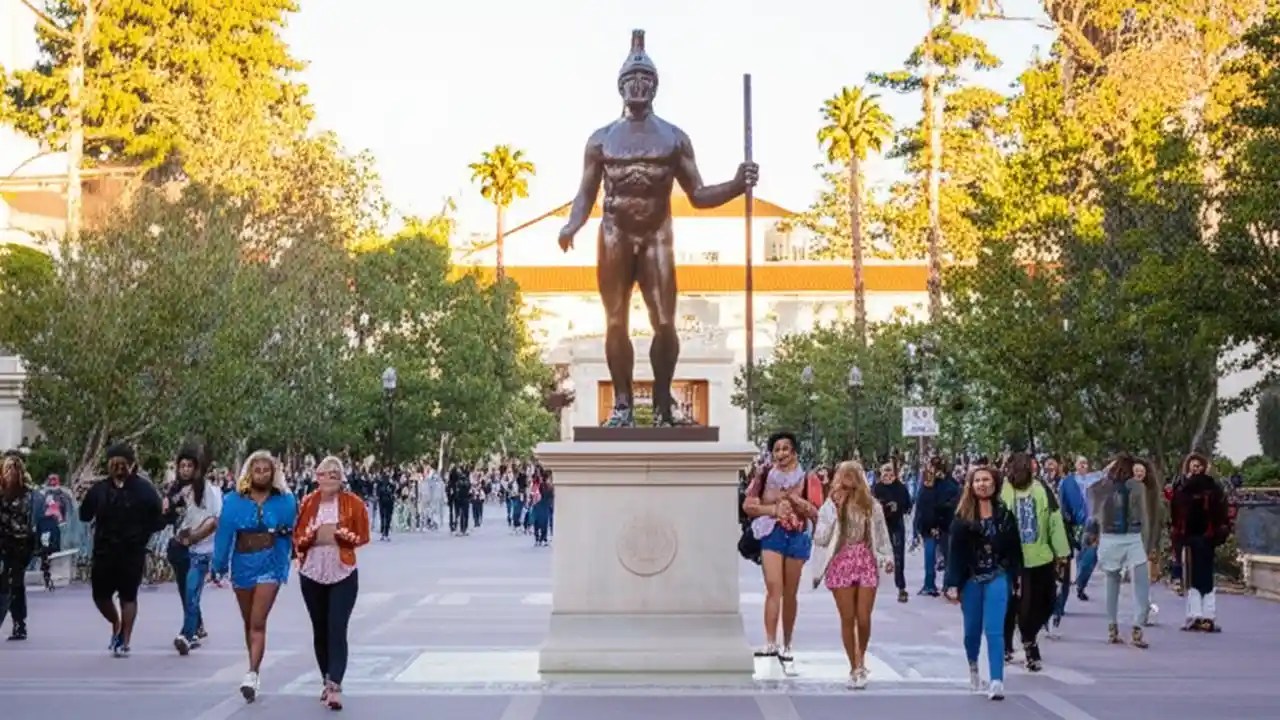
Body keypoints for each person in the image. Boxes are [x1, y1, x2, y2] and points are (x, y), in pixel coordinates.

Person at [212, 451, 298, 702]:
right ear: (249, 473)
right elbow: (225, 534)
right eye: (257, 470)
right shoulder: (233, 501)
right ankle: (254, 666)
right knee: (249, 621)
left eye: (266, 470)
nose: (261, 474)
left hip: (270, 562)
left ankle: (252, 673)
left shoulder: (285, 501)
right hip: (242, 563)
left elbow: (290, 532)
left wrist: (285, 554)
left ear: (274, 473)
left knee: (258, 621)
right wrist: (218, 565)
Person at [294, 456, 370, 711]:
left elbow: (363, 535)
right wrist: (311, 538)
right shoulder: (307, 503)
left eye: (335, 473)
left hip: (343, 571)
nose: (331, 477)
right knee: (320, 628)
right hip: (312, 571)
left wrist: (343, 537)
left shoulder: (353, 503)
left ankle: (335, 684)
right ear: (317, 477)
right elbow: (298, 536)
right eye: (326, 473)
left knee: (337, 626)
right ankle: (326, 679)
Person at [811, 461, 893, 689]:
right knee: (848, 617)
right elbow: (820, 537)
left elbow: (882, 534)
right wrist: (837, 511)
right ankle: (854, 665)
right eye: (843, 478)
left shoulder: (871, 505)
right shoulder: (831, 504)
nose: (847, 483)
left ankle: (862, 657)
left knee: (864, 616)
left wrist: (887, 558)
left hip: (865, 559)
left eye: (852, 478)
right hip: (841, 561)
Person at [944, 466, 1022, 701]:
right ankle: (973, 667)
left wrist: (1016, 576)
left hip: (998, 576)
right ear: (971, 485)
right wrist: (951, 584)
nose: (982, 484)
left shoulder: (1005, 515)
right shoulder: (962, 518)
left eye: (986, 479)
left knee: (995, 629)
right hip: (971, 580)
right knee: (972, 632)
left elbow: (1014, 549)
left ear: (995, 483)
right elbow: (954, 554)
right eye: (977, 480)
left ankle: (997, 680)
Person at [741, 432, 818, 669]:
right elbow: (748, 506)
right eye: (777, 449)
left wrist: (795, 501)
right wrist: (772, 510)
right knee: (774, 588)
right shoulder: (764, 476)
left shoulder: (808, 478)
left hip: (797, 536)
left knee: (790, 592)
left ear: (794, 452)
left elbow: (816, 511)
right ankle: (770, 642)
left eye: (786, 449)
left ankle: (788, 643)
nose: (781, 454)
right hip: (771, 533)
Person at [79, 443, 164, 657]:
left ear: (131, 464)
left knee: (128, 596)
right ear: (108, 465)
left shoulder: (144, 489)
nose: (118, 468)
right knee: (100, 596)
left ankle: (124, 639)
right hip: (104, 551)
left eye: (123, 464)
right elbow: (84, 514)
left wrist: (143, 535)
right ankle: (116, 622)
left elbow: (157, 519)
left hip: (132, 551)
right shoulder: (99, 490)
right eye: (114, 464)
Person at [1000, 452, 1069, 671]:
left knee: (1047, 601)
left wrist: (1061, 552)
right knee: (1018, 606)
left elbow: (1055, 520)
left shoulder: (1041, 490)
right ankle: (1025, 645)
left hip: (1041, 556)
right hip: (1014, 559)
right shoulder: (1004, 491)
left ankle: (1028, 636)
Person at [1084, 455, 1161, 647]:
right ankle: (1137, 626)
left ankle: (1112, 627)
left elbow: (1091, 507)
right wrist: (1149, 545)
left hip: (1109, 537)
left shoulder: (1102, 487)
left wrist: (1104, 472)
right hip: (1133, 537)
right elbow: (1144, 517)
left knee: (1112, 583)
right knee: (1141, 583)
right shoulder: (1137, 486)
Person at [167, 442, 221, 655]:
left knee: (191, 592)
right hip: (179, 549)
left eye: (190, 466)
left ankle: (186, 635)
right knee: (185, 592)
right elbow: (169, 517)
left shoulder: (209, 491)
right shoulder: (175, 491)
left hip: (201, 551)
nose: (186, 470)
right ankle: (196, 627)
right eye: (183, 466)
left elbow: (214, 521)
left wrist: (195, 537)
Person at [1170, 453, 1229, 632]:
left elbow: (1221, 512)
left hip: (1206, 537)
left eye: (1199, 466)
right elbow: (1175, 513)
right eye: (1192, 465)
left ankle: (1208, 616)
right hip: (1189, 537)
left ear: (1204, 467)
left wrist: (1218, 532)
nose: (1196, 469)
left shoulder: (1212, 487)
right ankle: (1195, 615)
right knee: (1191, 578)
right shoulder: (1181, 487)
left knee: (1206, 577)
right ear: (1188, 467)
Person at [0, 452, 40, 640]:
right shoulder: (1, 493)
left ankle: (19, 623)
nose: (10, 473)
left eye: (14, 469)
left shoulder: (30, 495)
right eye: (7, 469)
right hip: (3, 543)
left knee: (15, 584)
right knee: (4, 584)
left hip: (20, 544)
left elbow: (33, 521)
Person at [870, 462, 911, 603]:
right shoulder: (876, 488)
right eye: (885, 474)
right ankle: (872, 580)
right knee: (877, 552)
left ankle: (901, 587)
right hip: (881, 525)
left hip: (897, 524)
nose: (887, 477)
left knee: (898, 555)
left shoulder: (901, 488)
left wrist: (897, 506)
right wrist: (883, 506)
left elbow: (907, 506)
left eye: (890, 474)